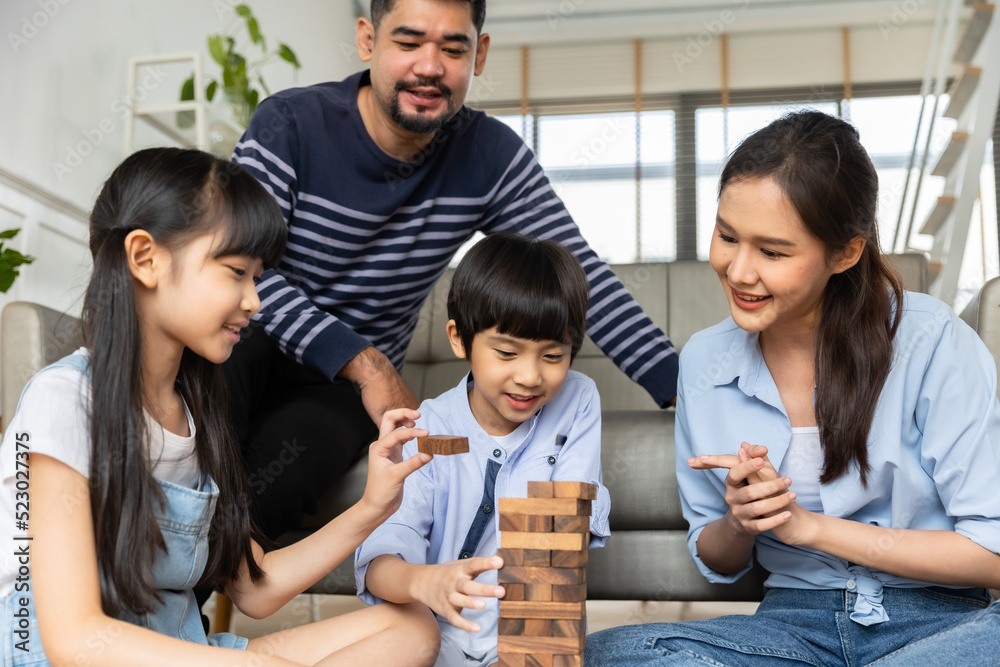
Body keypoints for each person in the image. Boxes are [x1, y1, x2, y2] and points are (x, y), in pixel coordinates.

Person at [226, 0, 677, 546]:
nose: (430, 66)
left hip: (339, 394)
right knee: (184, 432)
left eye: (453, 48)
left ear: (479, 54)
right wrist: (366, 363)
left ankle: (174, 623)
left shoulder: (489, 156)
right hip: (243, 341)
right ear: (368, 41)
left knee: (271, 487)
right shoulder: (290, 125)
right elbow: (237, 271)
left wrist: (685, 390)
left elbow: (581, 281)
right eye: (409, 42)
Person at [584, 111, 1000, 665]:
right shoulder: (706, 360)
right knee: (609, 653)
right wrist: (741, 520)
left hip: (940, 622)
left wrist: (809, 528)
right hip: (794, 631)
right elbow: (717, 557)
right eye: (727, 236)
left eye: (773, 252)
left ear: (845, 253)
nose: (738, 271)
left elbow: (992, 552)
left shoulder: (932, 340)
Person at [0, 147, 441, 666]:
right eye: (237, 272)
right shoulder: (66, 399)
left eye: (257, 276)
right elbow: (73, 640)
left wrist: (372, 507)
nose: (255, 300)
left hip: (184, 650)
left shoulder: (196, 408)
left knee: (408, 627)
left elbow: (255, 590)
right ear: (145, 258)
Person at [355, 232, 611, 667]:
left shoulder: (577, 400)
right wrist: (424, 581)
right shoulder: (430, 427)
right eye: (507, 353)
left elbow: (562, 535)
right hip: (432, 638)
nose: (530, 376)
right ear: (460, 338)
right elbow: (381, 560)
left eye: (553, 356)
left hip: (536, 630)